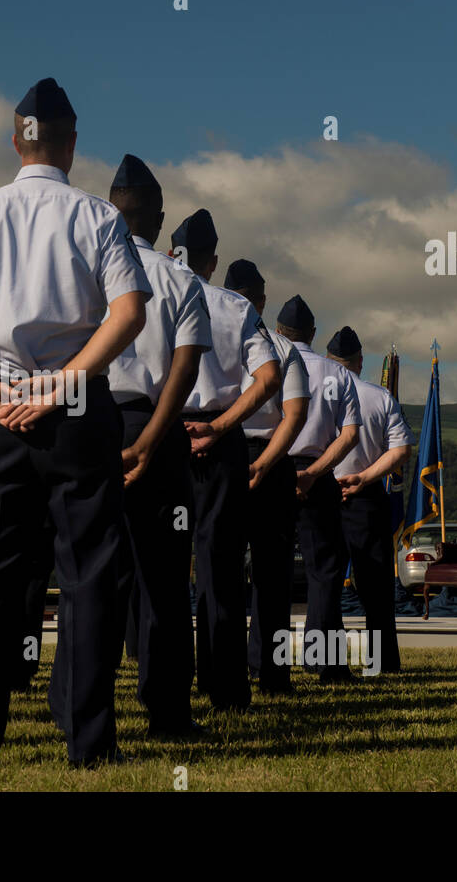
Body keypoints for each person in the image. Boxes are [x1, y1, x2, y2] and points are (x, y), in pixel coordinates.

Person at [0, 77, 151, 766]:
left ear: (14, 142)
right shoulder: (98, 218)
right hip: (75, 405)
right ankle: (88, 744)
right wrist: (66, 384)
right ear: (72, 145)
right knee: (87, 576)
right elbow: (127, 313)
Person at [106, 155, 212, 735]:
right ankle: (168, 709)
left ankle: (79, 704)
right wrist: (152, 438)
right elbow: (184, 370)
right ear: (160, 217)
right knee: (166, 576)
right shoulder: (182, 281)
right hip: (162, 425)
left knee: (89, 570)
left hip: (93, 423)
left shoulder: (85, 274)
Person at [174, 213, 281, 710]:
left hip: (163, 434)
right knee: (221, 566)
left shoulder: (150, 296)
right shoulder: (235, 306)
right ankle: (226, 687)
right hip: (220, 437)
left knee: (162, 567)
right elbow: (268, 378)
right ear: (213, 261)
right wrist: (221, 425)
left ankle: (167, 685)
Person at [223, 260, 310, 694]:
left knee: (220, 569)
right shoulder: (282, 347)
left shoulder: (209, 335)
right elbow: (293, 417)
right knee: (273, 576)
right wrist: (265, 463)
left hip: (216, 451)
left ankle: (221, 671)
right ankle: (272, 673)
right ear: (261, 300)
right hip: (271, 459)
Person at [276, 295, 361, 682]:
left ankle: (268, 664)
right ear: (313, 333)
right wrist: (312, 473)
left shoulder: (266, 364)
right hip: (319, 470)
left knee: (269, 567)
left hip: (272, 468)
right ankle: (323, 661)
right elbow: (348, 437)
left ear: (279, 331)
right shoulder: (337, 373)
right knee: (324, 570)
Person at [328, 326, 414, 670]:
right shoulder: (379, 397)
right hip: (367, 494)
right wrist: (364, 477)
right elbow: (402, 450)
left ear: (329, 360)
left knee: (327, 584)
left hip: (325, 490)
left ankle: (328, 661)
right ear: (360, 361)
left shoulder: (315, 393)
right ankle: (381, 661)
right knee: (375, 586)